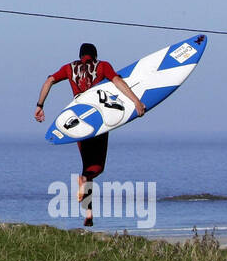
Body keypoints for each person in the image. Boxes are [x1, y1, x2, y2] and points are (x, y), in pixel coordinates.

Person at [34, 42, 145, 227]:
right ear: (95, 54)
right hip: (98, 120)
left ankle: (89, 214)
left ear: (80, 56)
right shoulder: (102, 66)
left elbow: (49, 80)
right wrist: (136, 102)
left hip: (79, 122)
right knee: (96, 168)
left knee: (88, 167)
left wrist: (39, 106)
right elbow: (118, 82)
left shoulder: (69, 68)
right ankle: (84, 182)